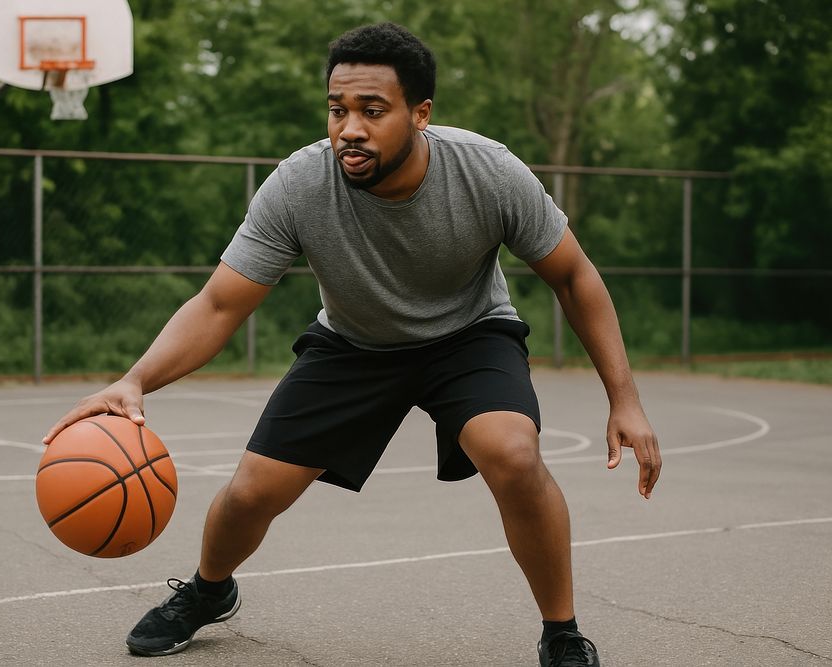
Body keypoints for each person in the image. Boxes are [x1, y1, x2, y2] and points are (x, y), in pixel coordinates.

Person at [44, 22, 661, 667]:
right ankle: (207, 589)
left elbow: (572, 274)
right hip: (354, 344)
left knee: (512, 454)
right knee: (253, 493)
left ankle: (561, 630)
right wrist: (135, 380)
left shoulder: (487, 170)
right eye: (338, 110)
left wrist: (625, 398)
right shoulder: (300, 184)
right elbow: (220, 303)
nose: (350, 129)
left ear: (420, 114)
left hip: (468, 336)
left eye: (373, 110)